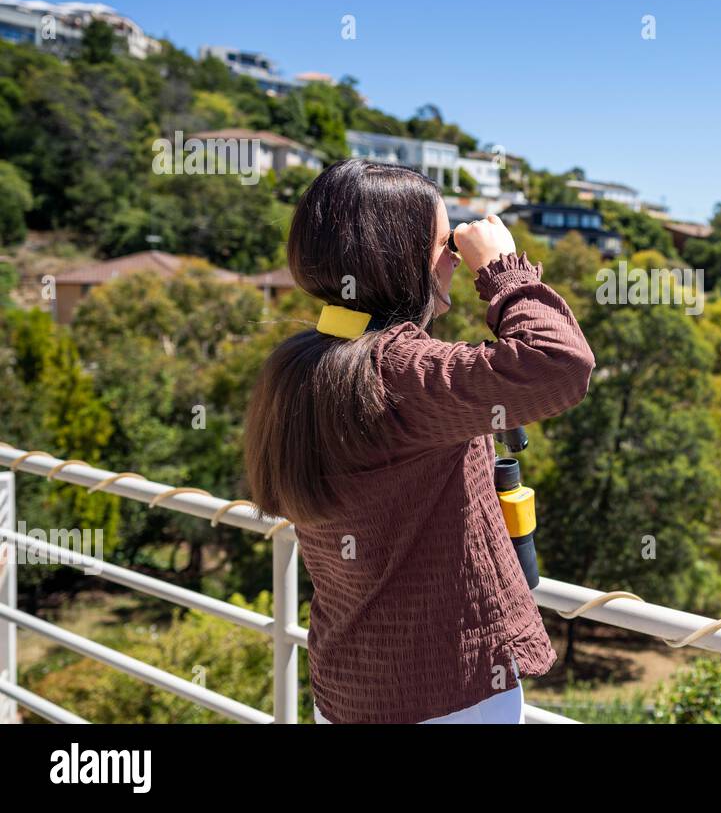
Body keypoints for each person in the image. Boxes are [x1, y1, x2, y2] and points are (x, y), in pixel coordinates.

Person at [243, 158, 595, 723]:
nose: (454, 258)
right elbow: (560, 364)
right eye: (443, 243)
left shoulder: (301, 361)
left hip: (347, 688)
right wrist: (505, 271)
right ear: (399, 257)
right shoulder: (397, 372)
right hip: (445, 696)